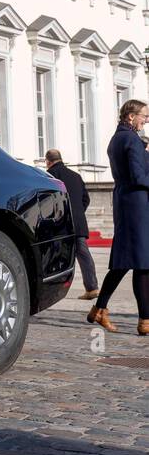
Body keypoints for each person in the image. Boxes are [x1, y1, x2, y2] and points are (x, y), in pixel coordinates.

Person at [89, 99, 149, 335]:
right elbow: (138, 176)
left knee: (127, 261)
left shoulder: (117, 138)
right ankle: (145, 321)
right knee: (142, 263)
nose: (146, 120)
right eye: (144, 115)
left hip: (125, 202)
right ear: (131, 116)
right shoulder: (132, 140)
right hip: (137, 205)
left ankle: (100, 308)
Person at [45, 149, 97, 300]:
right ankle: (92, 288)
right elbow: (86, 199)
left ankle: (53, 291)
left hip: (60, 224)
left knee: (56, 257)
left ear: (48, 162)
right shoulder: (76, 176)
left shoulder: (50, 176)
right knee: (84, 255)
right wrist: (78, 213)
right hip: (78, 223)